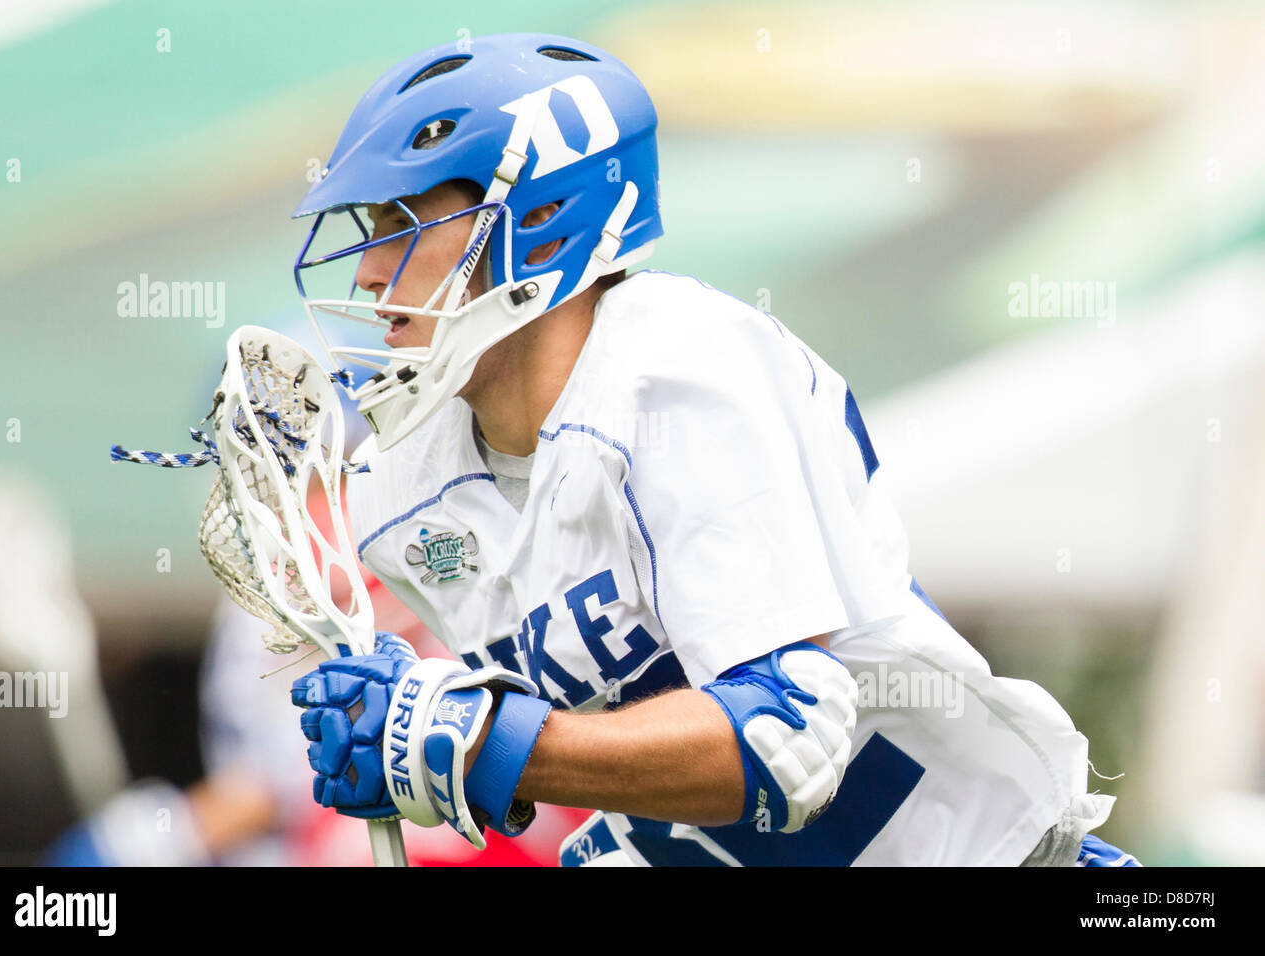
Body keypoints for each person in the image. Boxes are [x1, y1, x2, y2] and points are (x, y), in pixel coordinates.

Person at [284, 32, 1138, 866]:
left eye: (402, 222)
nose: (367, 273)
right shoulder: (401, 485)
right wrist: (412, 749)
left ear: (539, 221)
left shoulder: (676, 370)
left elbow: (784, 741)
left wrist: (486, 740)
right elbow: (573, 749)